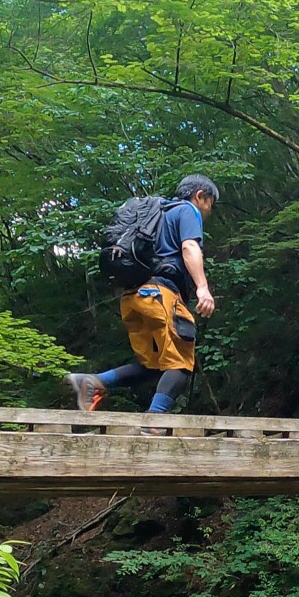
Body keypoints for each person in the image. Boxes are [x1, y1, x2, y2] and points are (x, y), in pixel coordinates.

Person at [67, 175, 220, 427]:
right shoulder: (187, 210)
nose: (208, 210)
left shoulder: (156, 214)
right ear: (200, 195)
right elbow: (190, 247)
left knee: (155, 365)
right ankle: (154, 421)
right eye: (210, 203)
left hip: (134, 298)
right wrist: (203, 289)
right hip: (162, 294)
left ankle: (95, 381)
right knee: (181, 363)